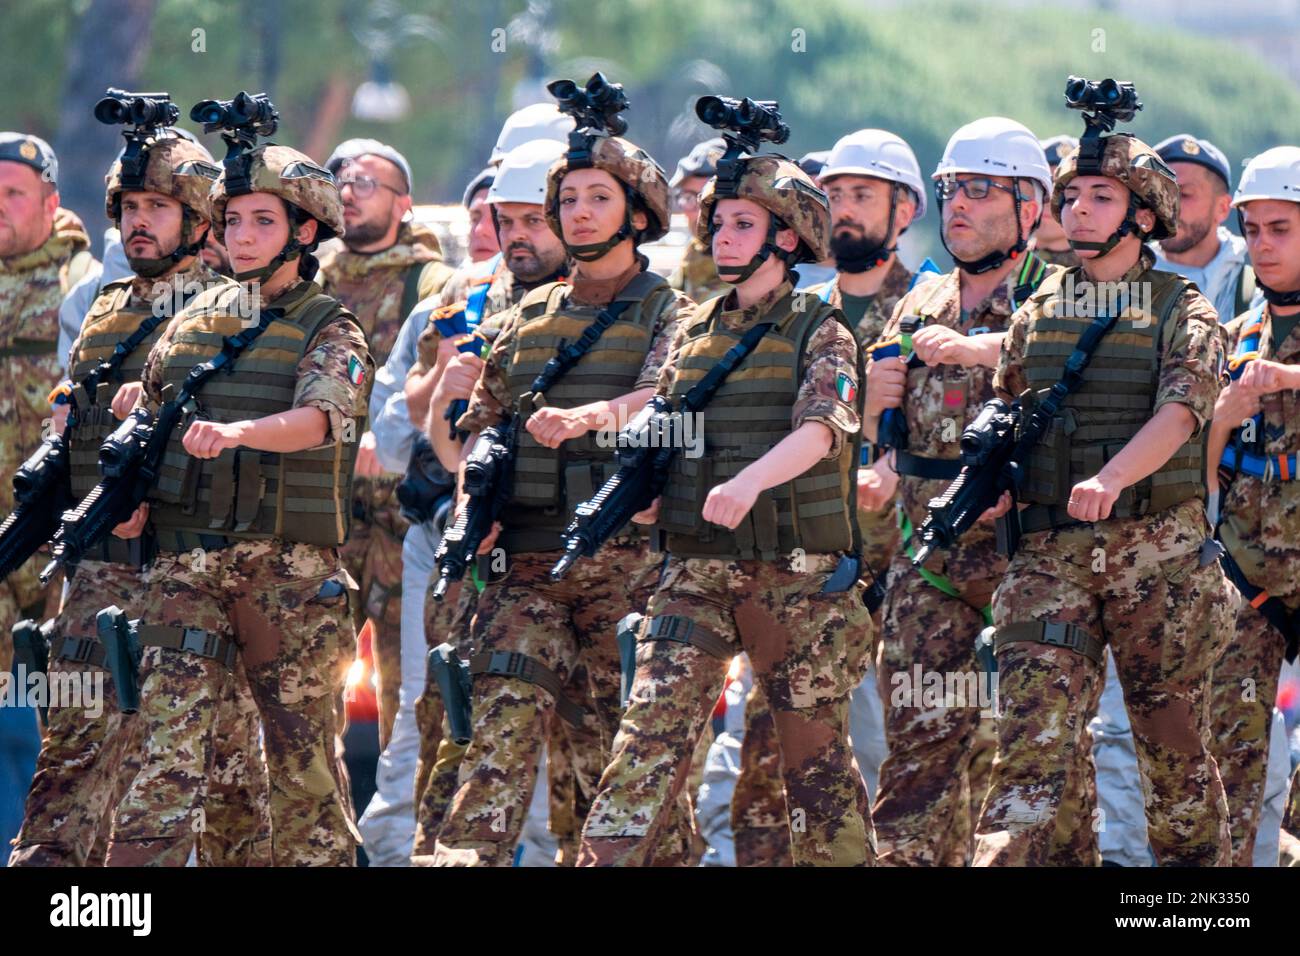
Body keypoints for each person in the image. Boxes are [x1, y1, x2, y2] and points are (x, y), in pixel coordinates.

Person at [578, 126, 875, 868]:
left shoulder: (823, 329)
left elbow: (823, 430)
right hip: (694, 575)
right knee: (643, 744)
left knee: (815, 773)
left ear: (787, 238)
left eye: (744, 223)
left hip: (793, 577)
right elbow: (673, 424)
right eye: (718, 221)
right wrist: (645, 493)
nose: (724, 234)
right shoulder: (692, 330)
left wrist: (746, 482)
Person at [429, 82, 693, 867]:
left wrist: (588, 418)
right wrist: (468, 518)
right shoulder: (519, 321)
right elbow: (477, 439)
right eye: (566, 198)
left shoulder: (669, 311)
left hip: (630, 575)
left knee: (620, 787)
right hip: (523, 574)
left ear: (637, 214)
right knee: (491, 759)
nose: (576, 213)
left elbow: (670, 402)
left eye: (597, 197)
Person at [103, 131, 372, 867]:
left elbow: (324, 418)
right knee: (169, 761)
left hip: (286, 582)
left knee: (303, 778)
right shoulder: (192, 320)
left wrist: (238, 431)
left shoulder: (331, 326)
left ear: (304, 231)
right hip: (185, 571)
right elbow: (153, 415)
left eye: (263, 221)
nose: (242, 237)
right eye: (233, 220)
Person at [974, 108, 1233, 868]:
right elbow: (1009, 407)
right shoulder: (1037, 311)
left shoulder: (1184, 311)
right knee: (1030, 744)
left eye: (1101, 196)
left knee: (1172, 753)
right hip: (1048, 556)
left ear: (1143, 215)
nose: (1079, 208)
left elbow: (1184, 411)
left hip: (1159, 559)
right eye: (1072, 194)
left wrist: (1112, 476)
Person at [10, 129, 271, 867]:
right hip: (101, 559)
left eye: (157, 205)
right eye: (128, 205)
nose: (137, 222)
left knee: (222, 783)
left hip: (200, 570)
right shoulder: (102, 304)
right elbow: (75, 411)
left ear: (196, 218)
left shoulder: (237, 306)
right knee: (69, 765)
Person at [865, 117, 1090, 866]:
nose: (958, 204)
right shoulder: (919, 302)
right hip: (927, 567)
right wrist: (873, 402)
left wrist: (980, 348)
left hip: (1032, 564)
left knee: (1042, 770)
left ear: (1031, 205)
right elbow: (880, 435)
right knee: (916, 768)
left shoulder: (1068, 298)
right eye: (951, 189)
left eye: (981, 189)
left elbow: (1070, 367)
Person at [728, 127, 927, 865]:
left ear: (903, 211)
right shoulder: (793, 312)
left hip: (898, 584)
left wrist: (890, 445)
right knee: (764, 770)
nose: (843, 209)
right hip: (793, 577)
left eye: (862, 196)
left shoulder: (930, 307)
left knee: (889, 765)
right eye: (834, 194)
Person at [1206, 145, 1300, 865]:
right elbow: (1204, 473)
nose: (1263, 245)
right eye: (1254, 229)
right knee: (1225, 771)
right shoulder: (1235, 338)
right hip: (1247, 586)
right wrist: (1226, 412)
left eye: (1282, 229)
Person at [0, 132, 96, 667]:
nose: (0, 207)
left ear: (50, 204)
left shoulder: (83, 285)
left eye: (14, 194)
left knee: (65, 697)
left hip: (52, 533)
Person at [1153, 134, 1254, 323]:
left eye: (1185, 194)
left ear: (1222, 208)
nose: (1168, 205)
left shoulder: (1253, 293)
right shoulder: (1126, 283)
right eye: (1161, 192)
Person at [667, 137, 729, 303]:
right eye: (688, 197)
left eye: (707, 199)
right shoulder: (695, 254)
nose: (697, 211)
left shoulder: (762, 271)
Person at [1032, 136, 1080, 268]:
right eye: (1043, 185)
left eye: (1061, 188)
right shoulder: (1005, 265)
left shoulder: (1098, 272)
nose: (1049, 198)